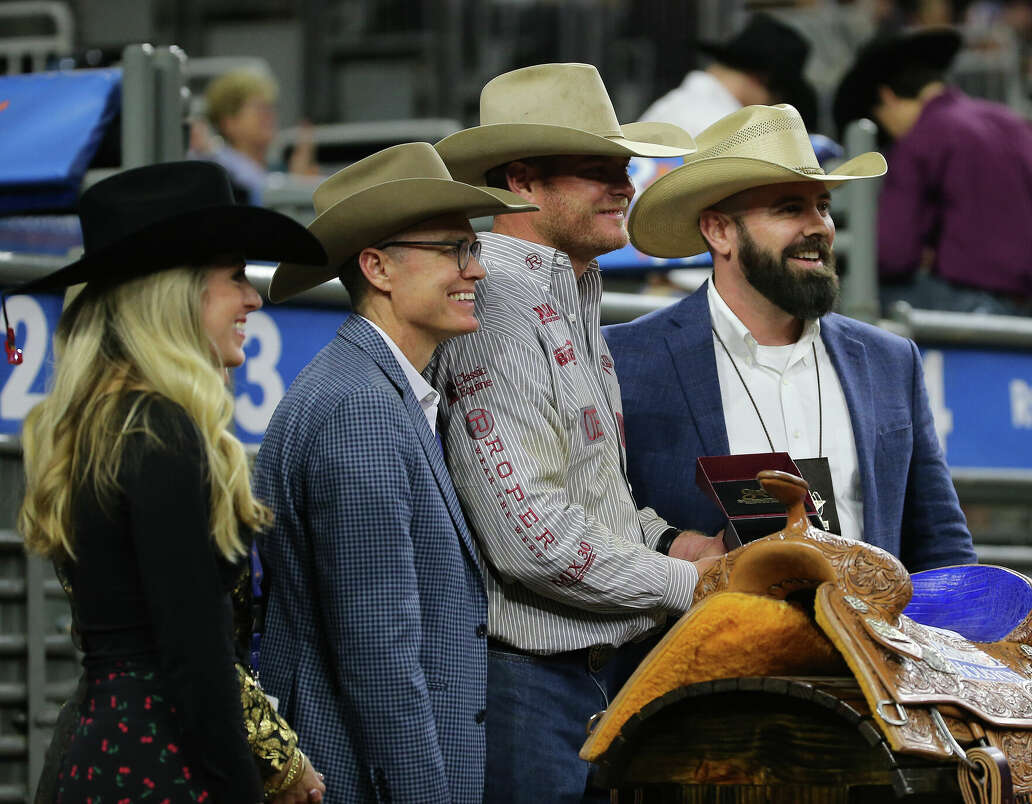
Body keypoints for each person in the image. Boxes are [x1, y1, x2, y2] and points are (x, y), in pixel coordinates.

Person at [429, 62, 723, 802]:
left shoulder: (567, 295)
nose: (625, 186)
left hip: (576, 671)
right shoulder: (495, 307)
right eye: (599, 170)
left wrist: (670, 543)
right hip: (531, 679)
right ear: (523, 181)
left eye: (622, 167)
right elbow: (531, 536)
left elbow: (591, 495)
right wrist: (690, 580)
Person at [16, 160, 328, 803]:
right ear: (177, 293)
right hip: (160, 763)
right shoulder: (159, 431)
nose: (253, 298)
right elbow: (195, 655)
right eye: (235, 277)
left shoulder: (105, 423)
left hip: (107, 749)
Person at [253, 141, 534, 803]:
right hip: (360, 779)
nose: (478, 271)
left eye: (477, 249)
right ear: (377, 266)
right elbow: (377, 645)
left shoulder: (372, 391)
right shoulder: (361, 408)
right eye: (454, 251)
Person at [606, 103, 977, 573]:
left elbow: (941, 543)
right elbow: (599, 521)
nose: (819, 225)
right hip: (706, 640)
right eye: (789, 209)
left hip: (864, 643)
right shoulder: (628, 359)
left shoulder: (890, 360)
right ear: (719, 230)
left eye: (823, 206)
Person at [833, 26, 1032, 316]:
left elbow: (892, 255)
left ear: (887, 97)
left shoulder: (919, 139)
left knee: (855, 298)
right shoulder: (1015, 123)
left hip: (979, 306)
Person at [640, 13, 819, 137]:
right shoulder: (725, 129)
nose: (772, 106)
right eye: (778, 98)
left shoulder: (672, 106)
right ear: (763, 79)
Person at [190, 68, 318, 205]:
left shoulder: (272, 169)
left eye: (270, 107)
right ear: (228, 122)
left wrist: (297, 179)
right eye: (259, 108)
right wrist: (297, 184)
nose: (269, 115)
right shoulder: (223, 172)